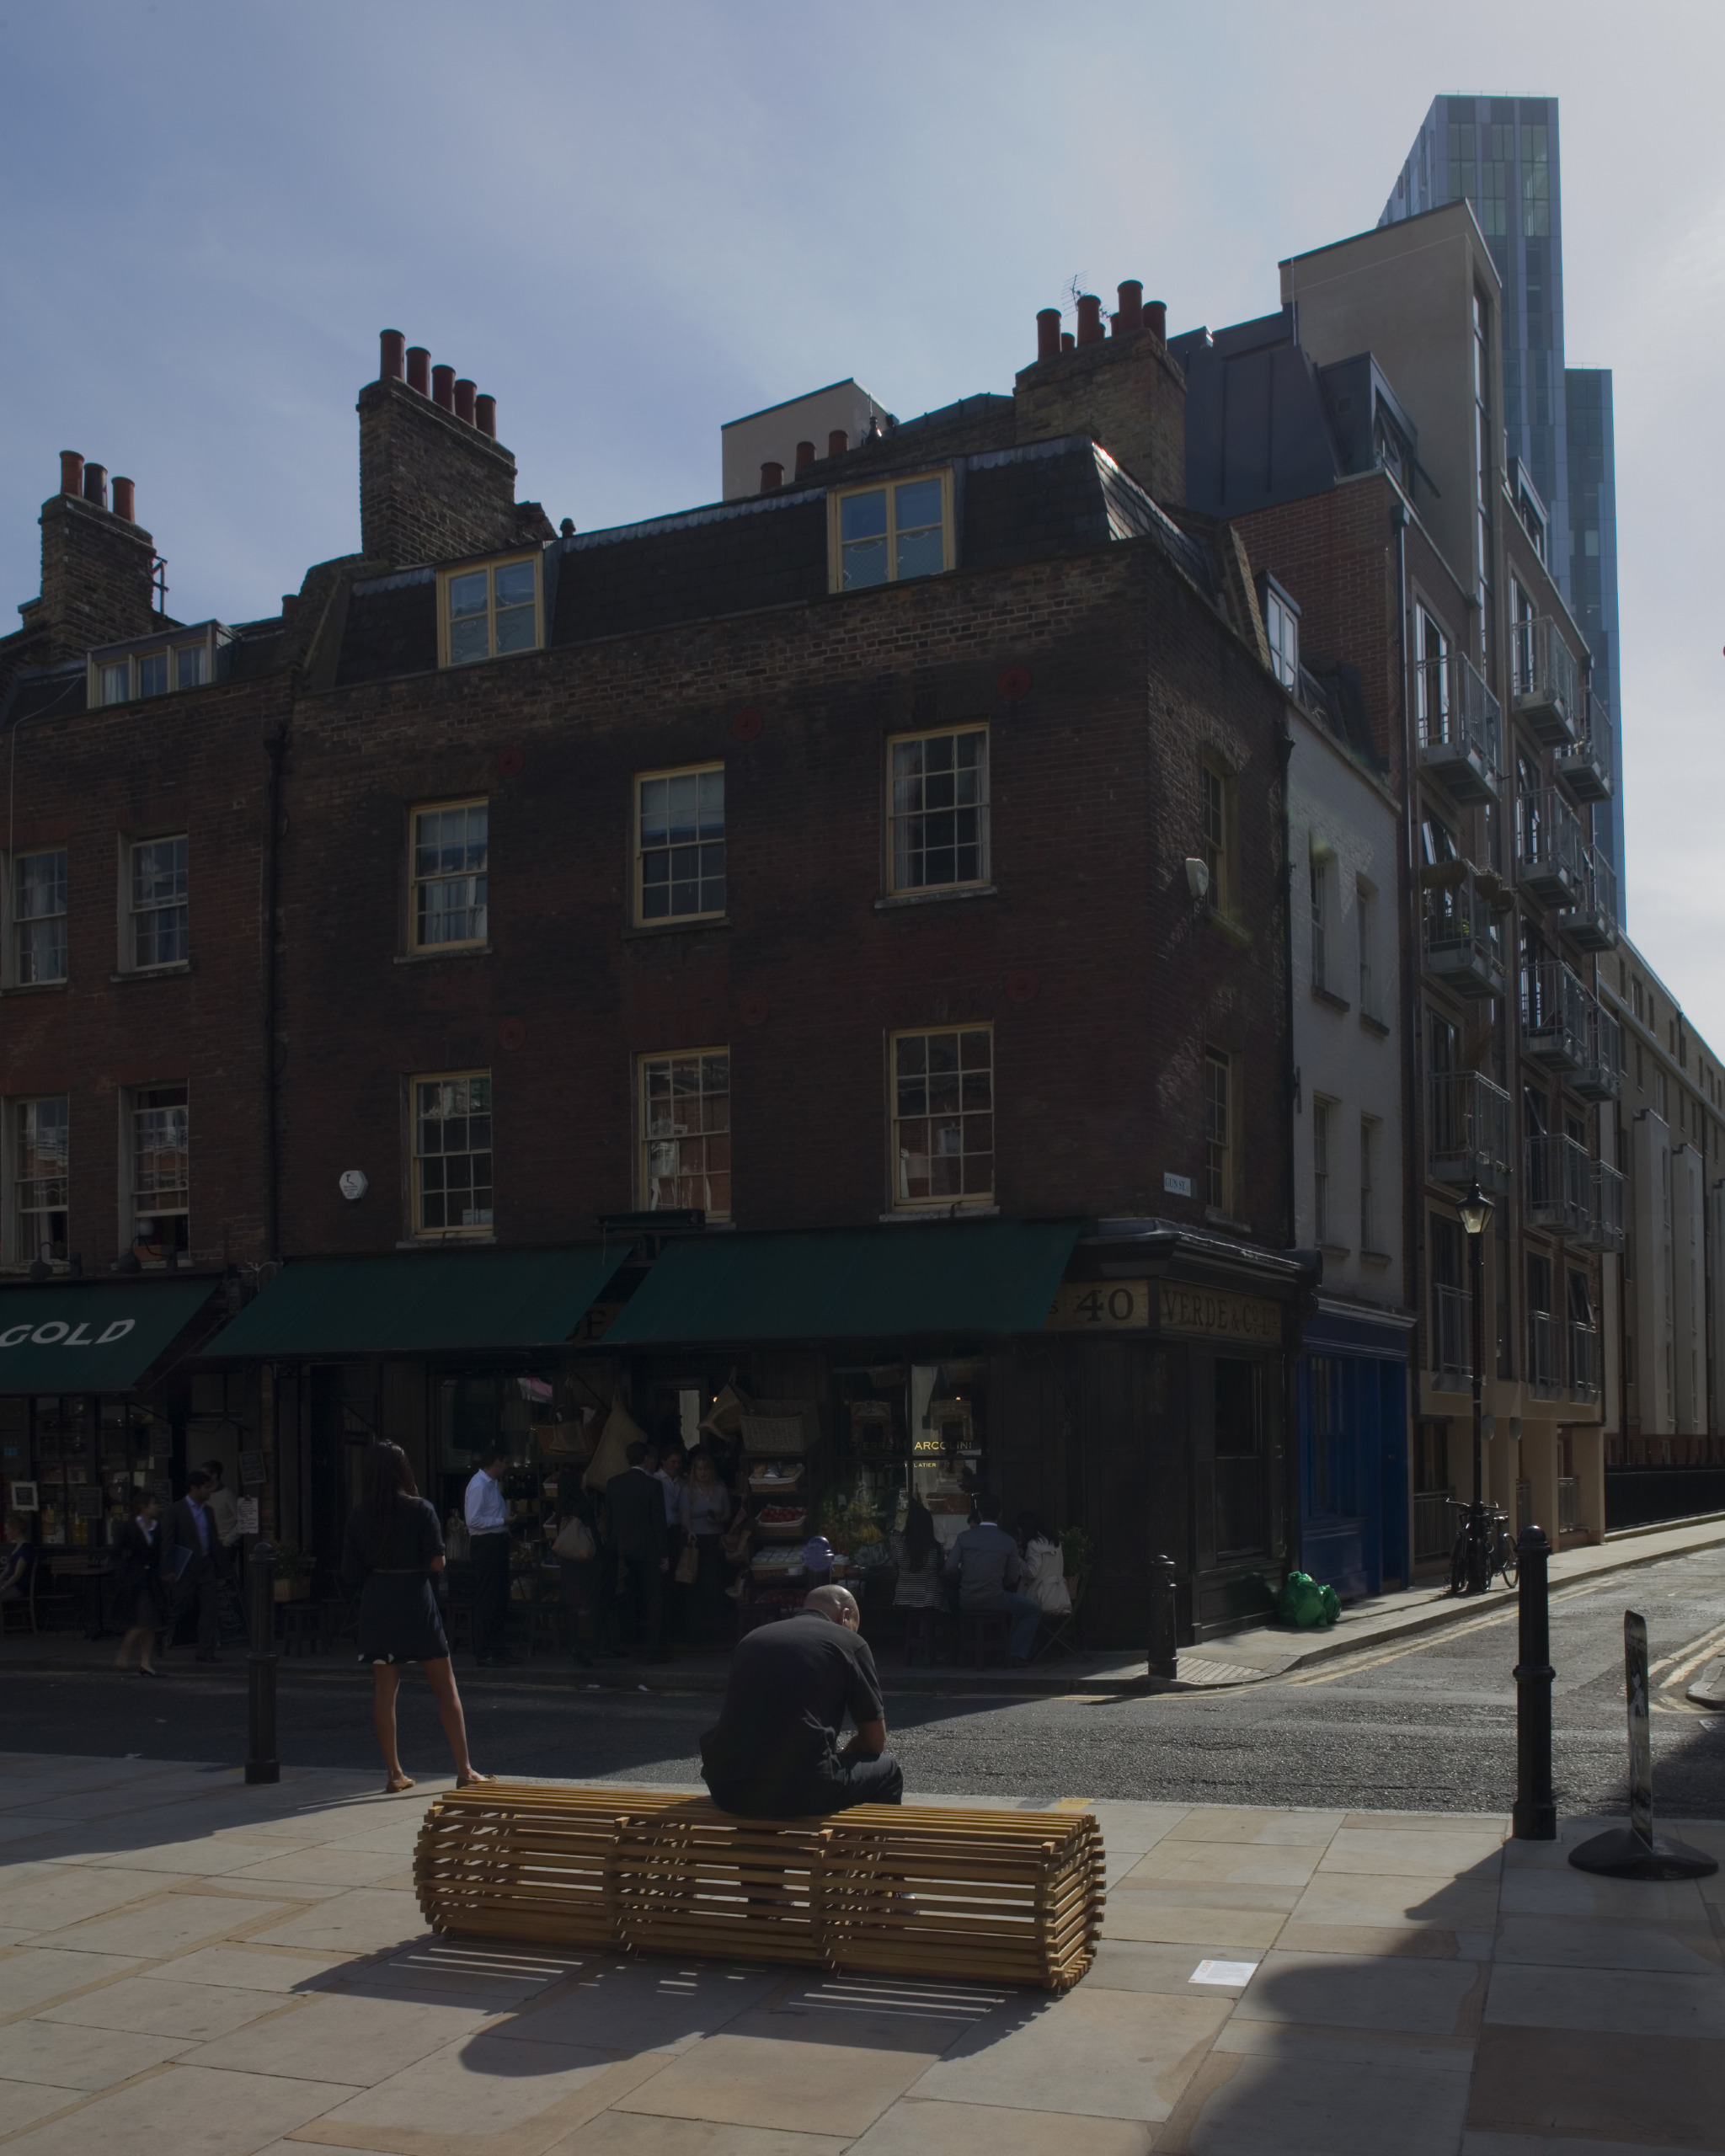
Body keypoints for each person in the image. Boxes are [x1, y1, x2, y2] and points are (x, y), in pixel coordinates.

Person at [342, 1441, 489, 1795]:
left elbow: (351, 1573)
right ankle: (464, 1770)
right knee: (445, 1687)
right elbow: (438, 1562)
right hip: (416, 1600)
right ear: (402, 1471)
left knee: (384, 1692)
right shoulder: (421, 1510)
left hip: (378, 1602)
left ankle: (394, 1773)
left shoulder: (359, 1515)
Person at [700, 1583, 903, 1815]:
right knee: (889, 1772)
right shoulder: (848, 1642)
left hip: (726, 1788)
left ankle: (758, 1847)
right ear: (845, 1616)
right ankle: (864, 1848)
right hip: (802, 1789)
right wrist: (848, 1751)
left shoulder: (752, 1639)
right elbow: (875, 1742)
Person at [946, 1492, 1040, 1662]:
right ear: (1000, 1514)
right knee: (1034, 1610)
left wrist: (965, 1579)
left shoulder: (964, 1537)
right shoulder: (1008, 1541)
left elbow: (950, 1567)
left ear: (979, 1513)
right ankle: (1014, 1653)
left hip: (967, 1599)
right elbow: (1012, 1577)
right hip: (995, 1597)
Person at [606, 1438, 668, 1659]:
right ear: (646, 1459)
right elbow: (658, 1523)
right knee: (653, 1599)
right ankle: (650, 1648)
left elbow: (610, 1521)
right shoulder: (652, 1485)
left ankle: (628, 1641)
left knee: (628, 1598)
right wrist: (664, 1554)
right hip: (648, 1550)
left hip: (622, 1550)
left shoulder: (613, 1484)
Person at [164, 1469, 228, 1662]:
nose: (210, 1491)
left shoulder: (208, 1511)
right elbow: (167, 1541)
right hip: (185, 1567)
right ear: (195, 1488)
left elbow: (214, 1542)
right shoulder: (175, 1510)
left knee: (210, 1609)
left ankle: (206, 1651)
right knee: (180, 1607)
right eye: (207, 1487)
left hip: (206, 1566)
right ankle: (156, 1635)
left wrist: (222, 1571)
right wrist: (167, 1569)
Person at [678, 1447, 735, 1648]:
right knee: (693, 1585)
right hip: (696, 1540)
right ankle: (696, 1633)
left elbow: (728, 1513)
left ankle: (716, 1631)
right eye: (699, 1469)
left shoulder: (720, 1489)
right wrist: (689, 1530)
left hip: (715, 1540)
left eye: (706, 1469)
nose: (702, 1473)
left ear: (711, 1470)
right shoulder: (688, 1490)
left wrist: (718, 1519)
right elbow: (684, 1515)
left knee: (713, 1584)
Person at [464, 1441, 515, 1667]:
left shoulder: (492, 1485)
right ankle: (484, 1651)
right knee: (487, 1597)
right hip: (485, 1544)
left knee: (499, 1597)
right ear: (497, 1462)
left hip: (496, 1541)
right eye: (505, 1462)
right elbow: (472, 1520)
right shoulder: (479, 1485)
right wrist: (501, 1521)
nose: (507, 1467)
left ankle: (498, 1648)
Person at [547, 1468, 597, 1668]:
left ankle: (575, 1646)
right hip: (583, 1560)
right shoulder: (584, 1505)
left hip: (568, 1560)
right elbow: (592, 1530)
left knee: (572, 1605)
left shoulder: (561, 1506)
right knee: (586, 1603)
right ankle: (586, 1648)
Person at [111, 1494, 164, 1674]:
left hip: (152, 1579)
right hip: (135, 1579)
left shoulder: (157, 1527)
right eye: (153, 1503)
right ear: (143, 1507)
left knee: (150, 1623)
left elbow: (160, 1553)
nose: (156, 1507)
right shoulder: (128, 1526)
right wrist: (121, 1573)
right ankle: (123, 1653)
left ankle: (145, 1662)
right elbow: (116, 1551)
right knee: (143, 1620)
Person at [890, 1497, 947, 1610]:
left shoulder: (898, 1546)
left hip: (903, 1598)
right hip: (930, 1599)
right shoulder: (936, 1548)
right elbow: (940, 1568)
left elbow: (895, 1570)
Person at [1015, 1511, 1071, 1618]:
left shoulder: (1033, 1545)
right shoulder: (1055, 1542)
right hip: (1058, 1596)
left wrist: (1017, 1559)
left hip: (1038, 1597)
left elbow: (1032, 1572)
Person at [201, 1460, 242, 1549]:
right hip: (209, 1544)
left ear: (214, 1476)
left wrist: (228, 1541)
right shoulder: (204, 1494)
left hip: (224, 1543)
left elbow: (242, 1521)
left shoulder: (227, 1495)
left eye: (205, 1475)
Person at [0, 1513, 35, 1605]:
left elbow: (17, 1575)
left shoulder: (26, 1549)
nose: (5, 1532)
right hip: (6, 1583)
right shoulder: (17, 1547)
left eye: (7, 1529)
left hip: (15, 1588)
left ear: (15, 1530)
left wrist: (3, 1588)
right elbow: (6, 1570)